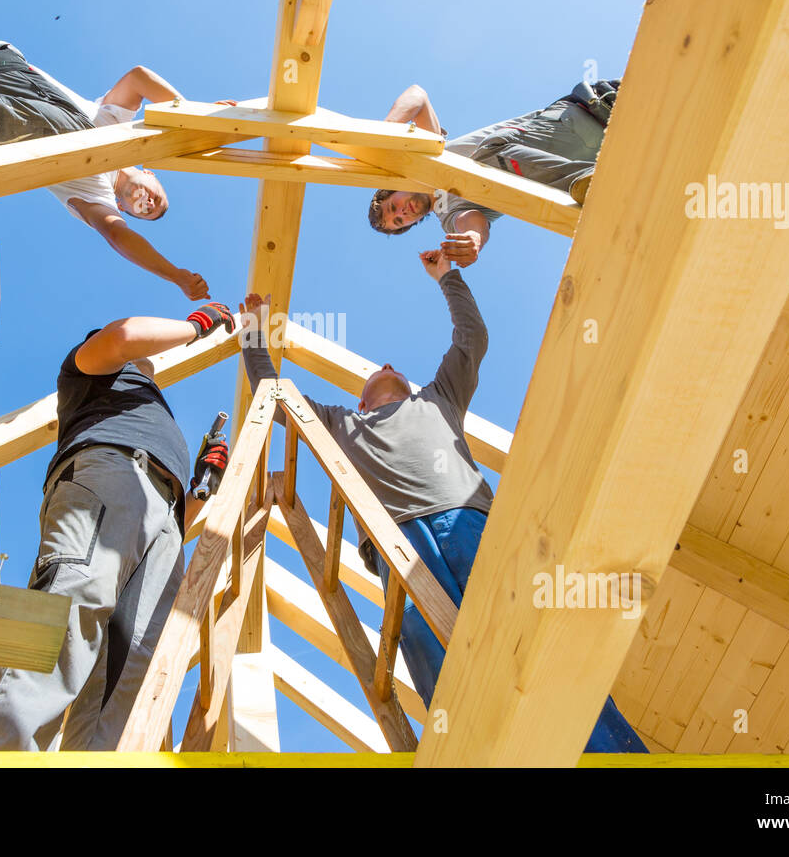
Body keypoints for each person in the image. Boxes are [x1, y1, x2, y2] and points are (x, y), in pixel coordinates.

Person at [238, 250, 644, 752]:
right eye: (374, 368)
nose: (385, 363)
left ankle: (611, 755)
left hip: (466, 520)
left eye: (393, 365)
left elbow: (472, 338)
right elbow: (273, 396)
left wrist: (448, 277)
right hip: (394, 546)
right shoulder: (342, 422)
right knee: (446, 677)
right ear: (362, 399)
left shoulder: (438, 397)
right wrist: (253, 334)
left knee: (529, 646)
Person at [0, 301, 237, 751]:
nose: (153, 361)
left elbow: (171, 514)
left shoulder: (148, 403)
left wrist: (203, 485)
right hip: (109, 472)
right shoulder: (90, 372)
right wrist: (197, 325)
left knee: (130, 662)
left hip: (166, 512)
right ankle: (4, 756)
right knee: (73, 605)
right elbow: (125, 336)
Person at [0, 17, 231, 300]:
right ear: (151, 173)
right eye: (156, 199)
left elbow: (116, 234)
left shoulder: (94, 193)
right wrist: (194, 114)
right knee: (80, 133)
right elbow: (138, 78)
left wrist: (175, 275)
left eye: (145, 211)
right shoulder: (115, 123)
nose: (148, 203)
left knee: (73, 145)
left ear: (121, 207)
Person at [366, 80, 620, 268]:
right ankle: (601, 187)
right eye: (399, 221)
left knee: (485, 159)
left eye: (392, 207)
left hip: (585, 112)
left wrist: (386, 132)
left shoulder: (432, 155)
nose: (402, 213)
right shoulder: (448, 215)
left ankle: (594, 183)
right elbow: (471, 221)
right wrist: (473, 239)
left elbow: (417, 95)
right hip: (614, 144)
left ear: (394, 188)